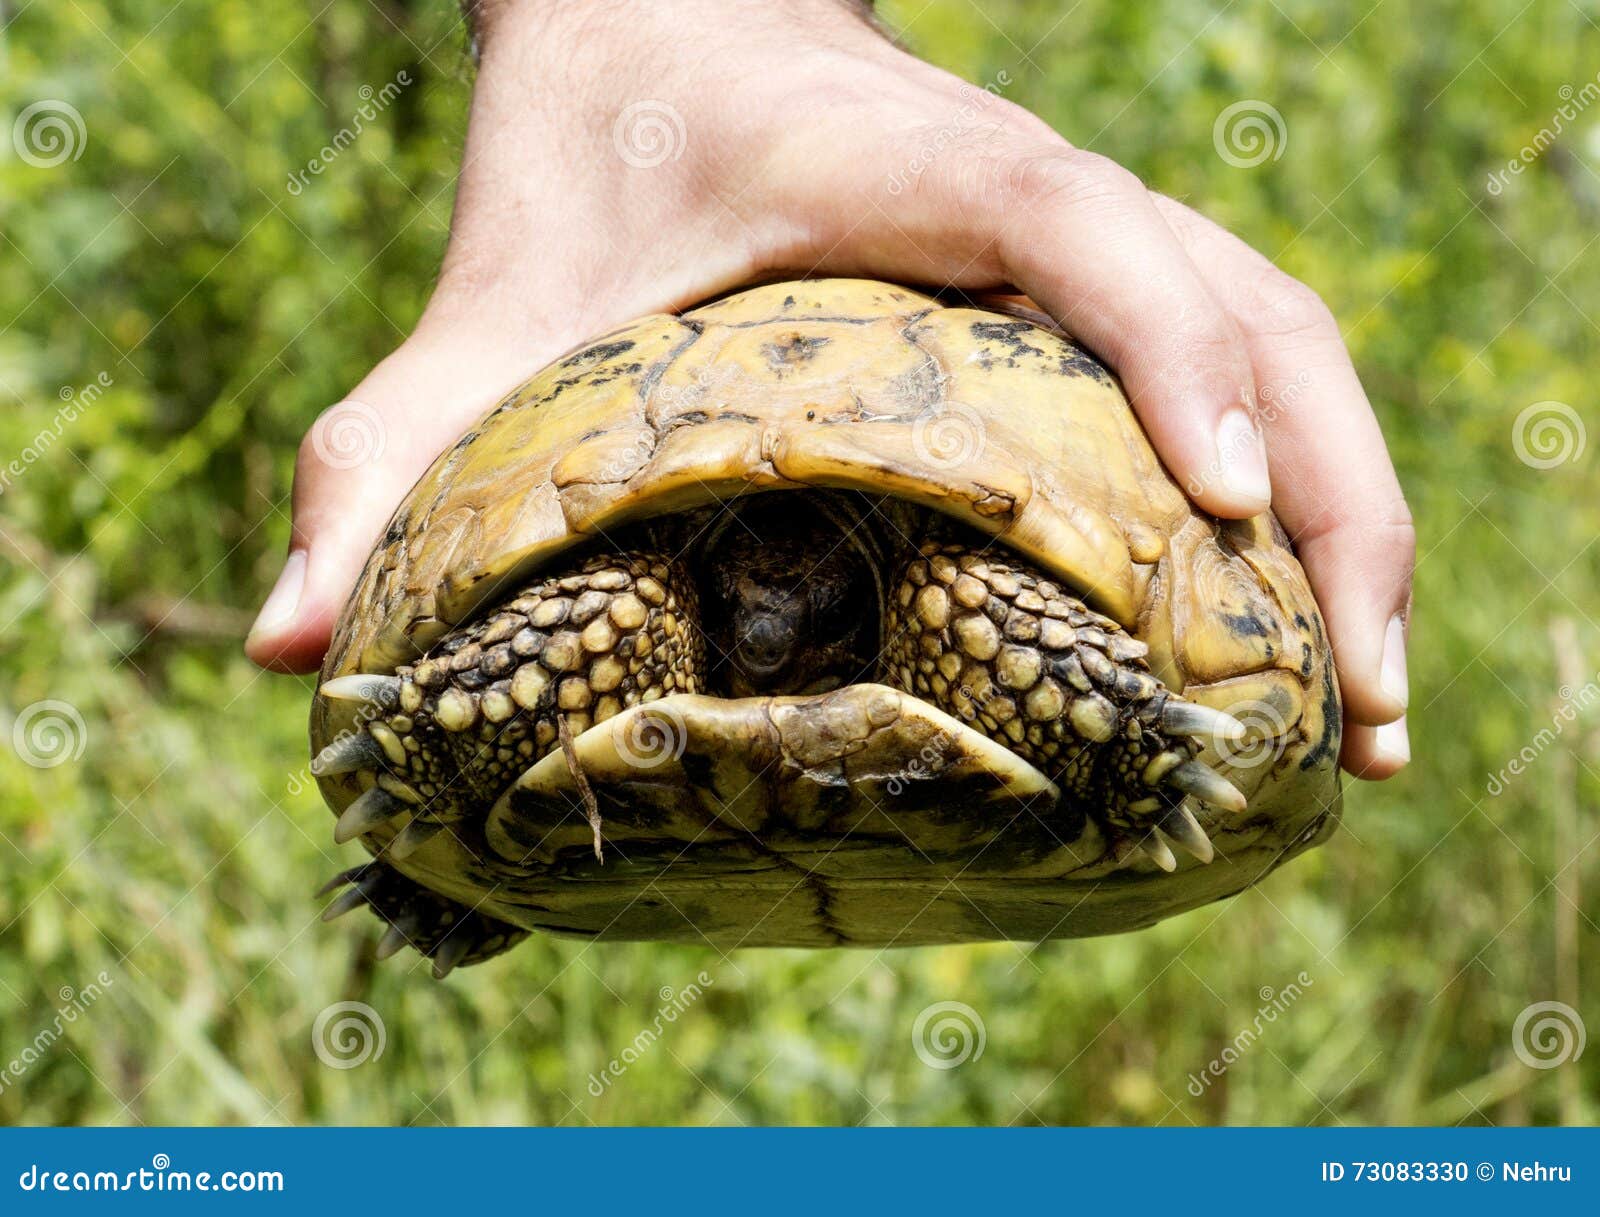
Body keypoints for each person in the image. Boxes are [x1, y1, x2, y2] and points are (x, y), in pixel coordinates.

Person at [245, 0, 1411, 780]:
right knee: (556, 647)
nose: (769, 622)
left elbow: (987, 606)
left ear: (871, 575)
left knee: (994, 618)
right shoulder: (635, 597)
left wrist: (1125, 725)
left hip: (964, 604)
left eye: (814, 587)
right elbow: (590, 614)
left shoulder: (950, 590)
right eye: (750, 569)